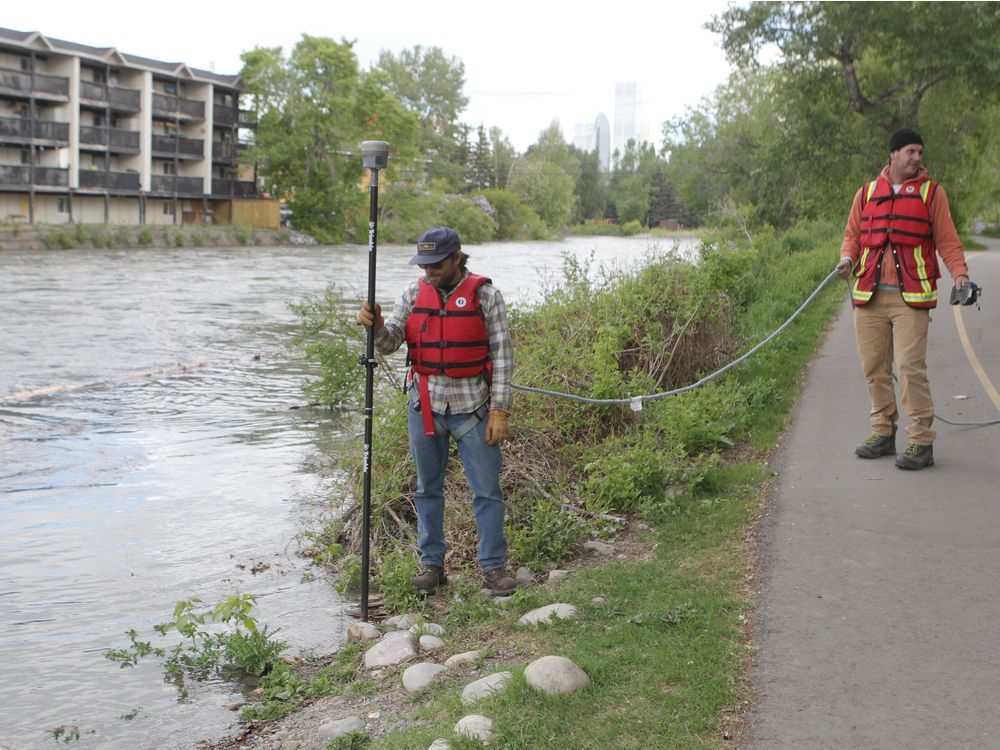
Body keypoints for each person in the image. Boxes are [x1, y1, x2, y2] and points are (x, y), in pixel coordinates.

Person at [356, 226, 516, 596]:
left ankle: (494, 568)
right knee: (427, 489)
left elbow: (503, 356)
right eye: (424, 264)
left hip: (473, 409)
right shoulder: (413, 293)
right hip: (424, 406)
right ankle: (432, 566)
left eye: (437, 263)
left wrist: (500, 410)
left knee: (487, 491)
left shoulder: (487, 296)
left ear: (457, 258)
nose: (429, 270)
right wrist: (376, 326)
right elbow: (389, 343)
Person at [836, 127, 972, 470]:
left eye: (920, 153)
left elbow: (948, 241)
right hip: (869, 297)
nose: (917, 158)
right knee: (874, 369)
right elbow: (853, 235)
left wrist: (960, 275)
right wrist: (847, 259)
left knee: (910, 369)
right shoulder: (867, 193)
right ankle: (883, 432)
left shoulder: (931, 193)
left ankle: (921, 442)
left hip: (910, 298)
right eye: (911, 151)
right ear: (893, 154)